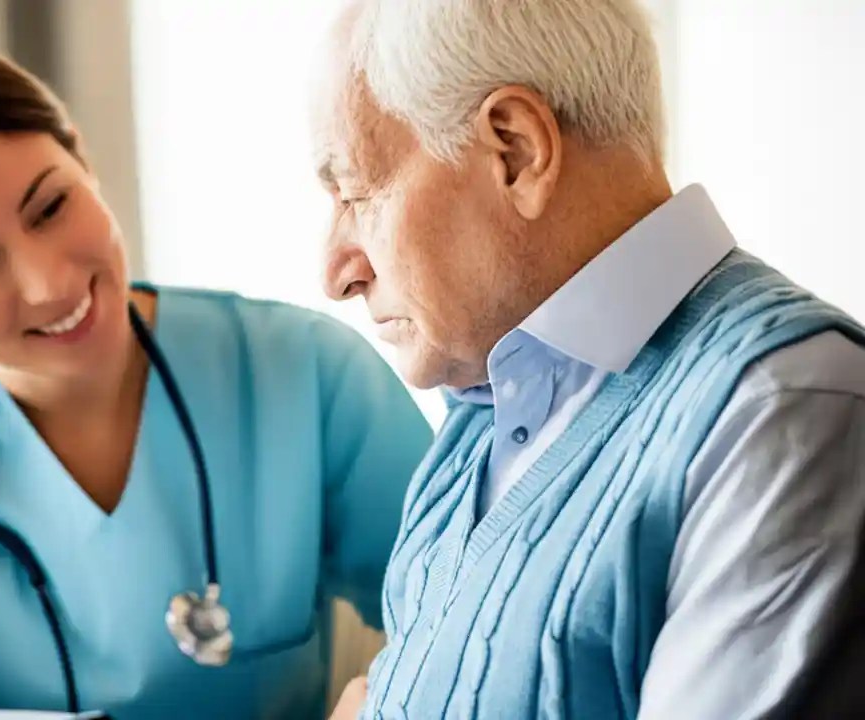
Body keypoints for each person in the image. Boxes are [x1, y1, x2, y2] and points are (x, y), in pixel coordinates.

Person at [0, 32, 432, 720]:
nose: (50, 282)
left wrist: (378, 700)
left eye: (50, 207)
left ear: (81, 158)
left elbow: (470, 608)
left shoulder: (306, 374)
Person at [310, 1, 865, 718]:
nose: (336, 271)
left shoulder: (787, 414)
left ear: (516, 150)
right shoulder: (481, 415)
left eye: (357, 192)